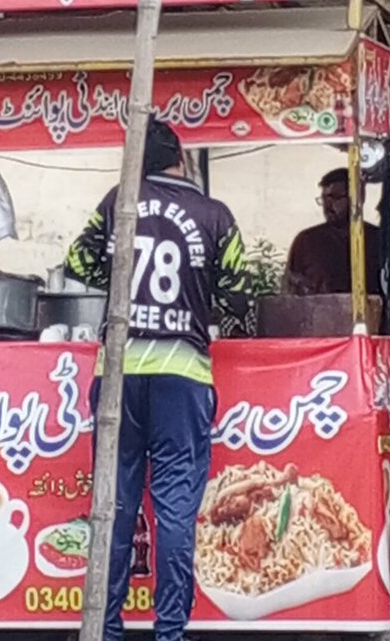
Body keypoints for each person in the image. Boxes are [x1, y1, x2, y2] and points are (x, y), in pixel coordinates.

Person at [65, 118, 253, 641]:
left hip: (119, 375)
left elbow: (80, 261)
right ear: (182, 157)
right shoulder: (214, 214)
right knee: (173, 510)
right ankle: (170, 633)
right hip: (182, 375)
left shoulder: (117, 201)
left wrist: (125, 284)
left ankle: (104, 628)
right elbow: (238, 290)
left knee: (116, 506)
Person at [283, 167, 381, 296]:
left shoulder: (377, 239)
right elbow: (291, 288)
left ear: (358, 198)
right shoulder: (307, 241)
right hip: (320, 314)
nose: (327, 205)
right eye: (324, 199)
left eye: (335, 197)